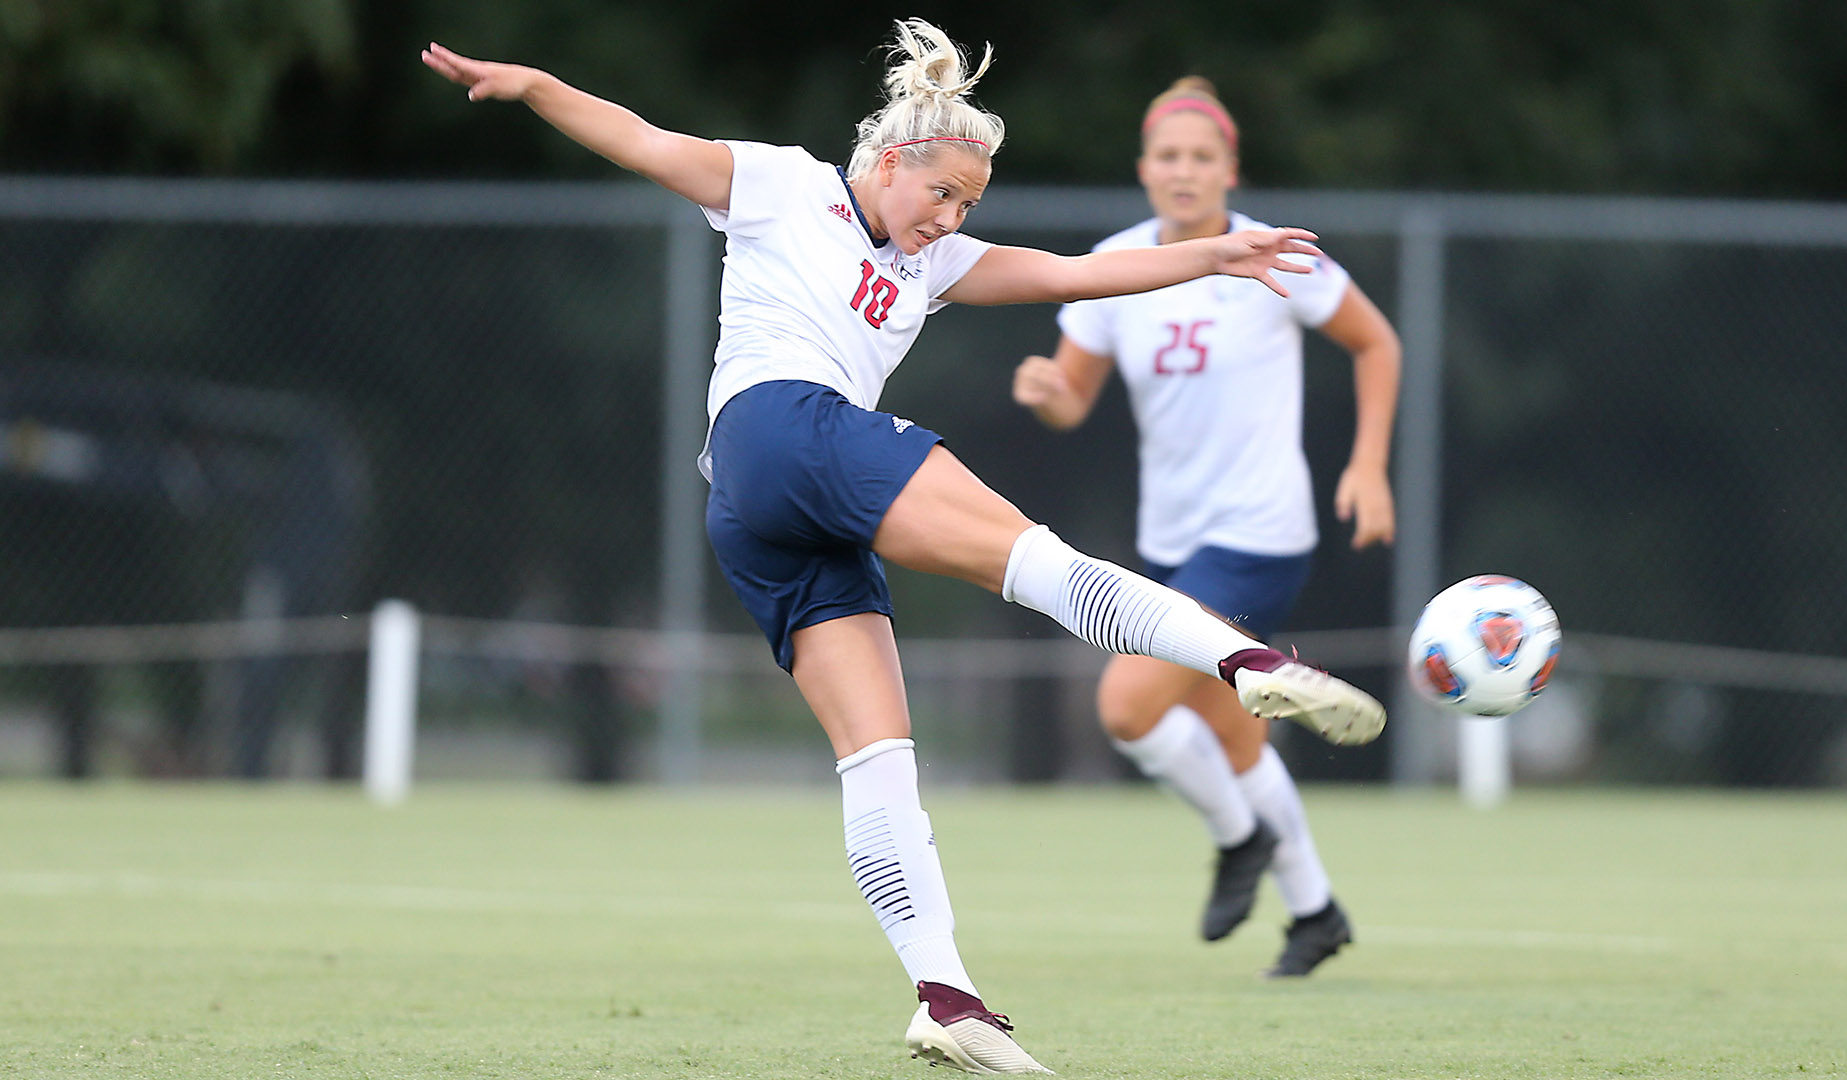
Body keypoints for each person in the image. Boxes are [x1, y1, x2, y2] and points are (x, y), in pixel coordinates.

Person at [424, 25, 1383, 1074]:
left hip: (755, 511)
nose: (952, 220)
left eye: (970, 205)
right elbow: (644, 139)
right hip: (784, 425)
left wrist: (1215, 253)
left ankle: (944, 995)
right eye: (942, 195)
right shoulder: (784, 186)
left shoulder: (936, 261)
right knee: (1041, 563)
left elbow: (1070, 277)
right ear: (890, 161)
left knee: (880, 759)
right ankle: (1248, 664)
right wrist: (534, 85)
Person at [1011, 76, 1401, 979]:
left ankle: (1238, 840)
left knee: (1128, 705)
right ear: (1145, 170)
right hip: (1173, 539)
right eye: (1168, 156)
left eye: (1202, 157)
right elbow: (1074, 398)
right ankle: (1317, 914)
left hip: (1259, 536)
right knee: (1231, 730)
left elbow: (1377, 342)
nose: (1184, 172)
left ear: (1231, 169)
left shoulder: (1269, 253)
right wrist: (1049, 394)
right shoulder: (1116, 264)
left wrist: (1369, 464)